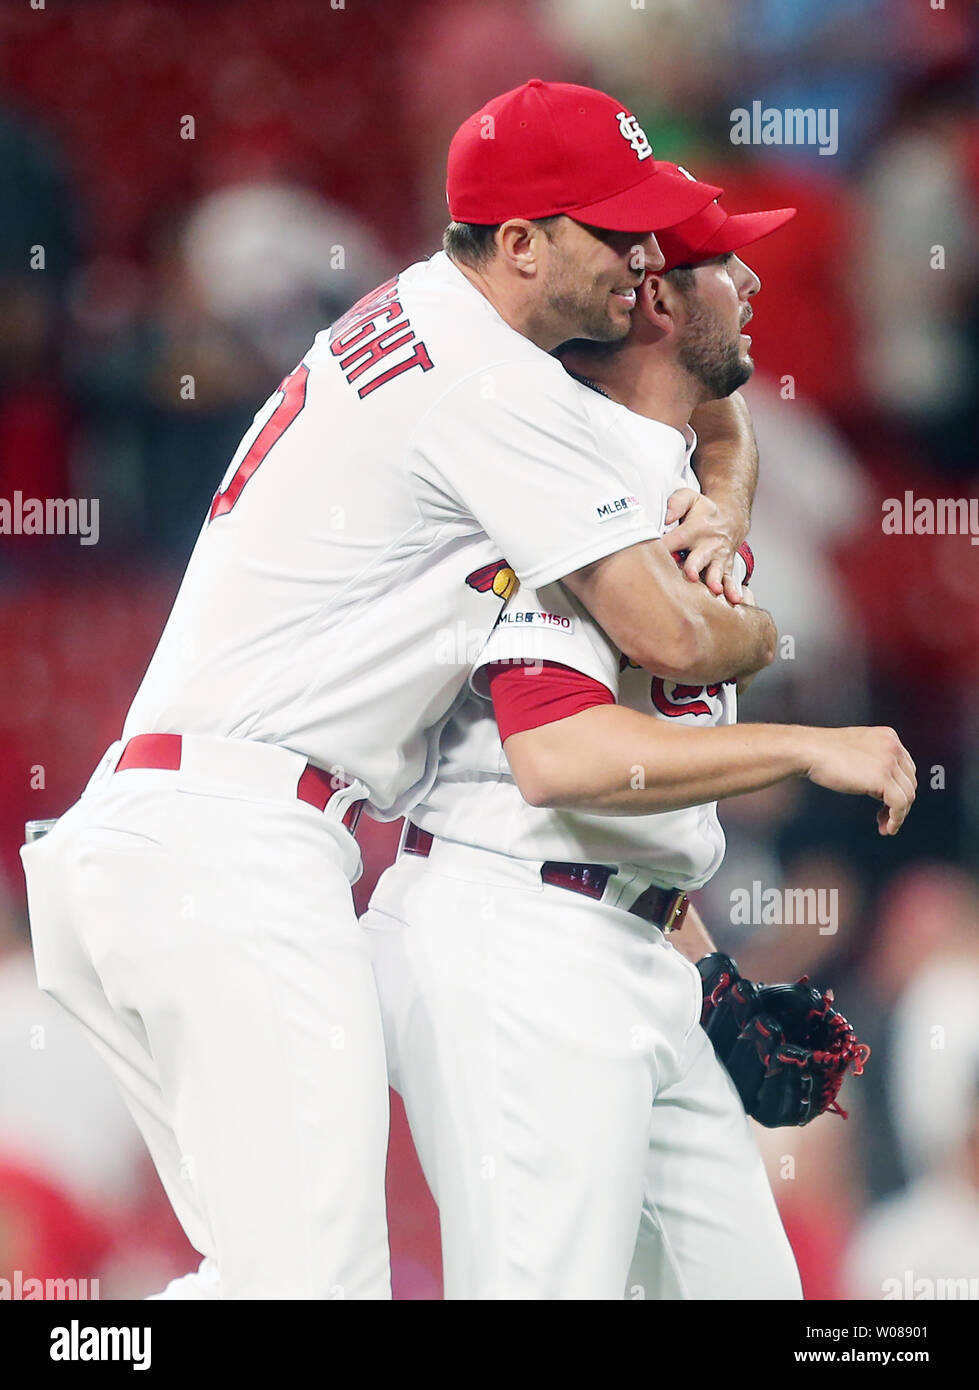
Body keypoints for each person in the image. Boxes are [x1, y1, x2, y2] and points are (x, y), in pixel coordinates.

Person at [19, 82, 774, 1299]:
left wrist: (724, 496)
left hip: (176, 834)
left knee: (273, 1281)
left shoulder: (429, 315)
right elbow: (675, 638)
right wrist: (761, 625)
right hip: (232, 848)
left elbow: (715, 401)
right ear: (522, 244)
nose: (643, 254)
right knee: (307, 1289)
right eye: (613, 228)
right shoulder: (491, 384)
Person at [362, 182, 917, 1300]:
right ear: (654, 298)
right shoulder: (561, 477)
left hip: (627, 934)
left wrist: (704, 965)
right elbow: (558, 756)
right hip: (515, 934)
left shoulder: (663, 475)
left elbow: (723, 422)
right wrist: (803, 747)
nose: (752, 283)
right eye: (724, 267)